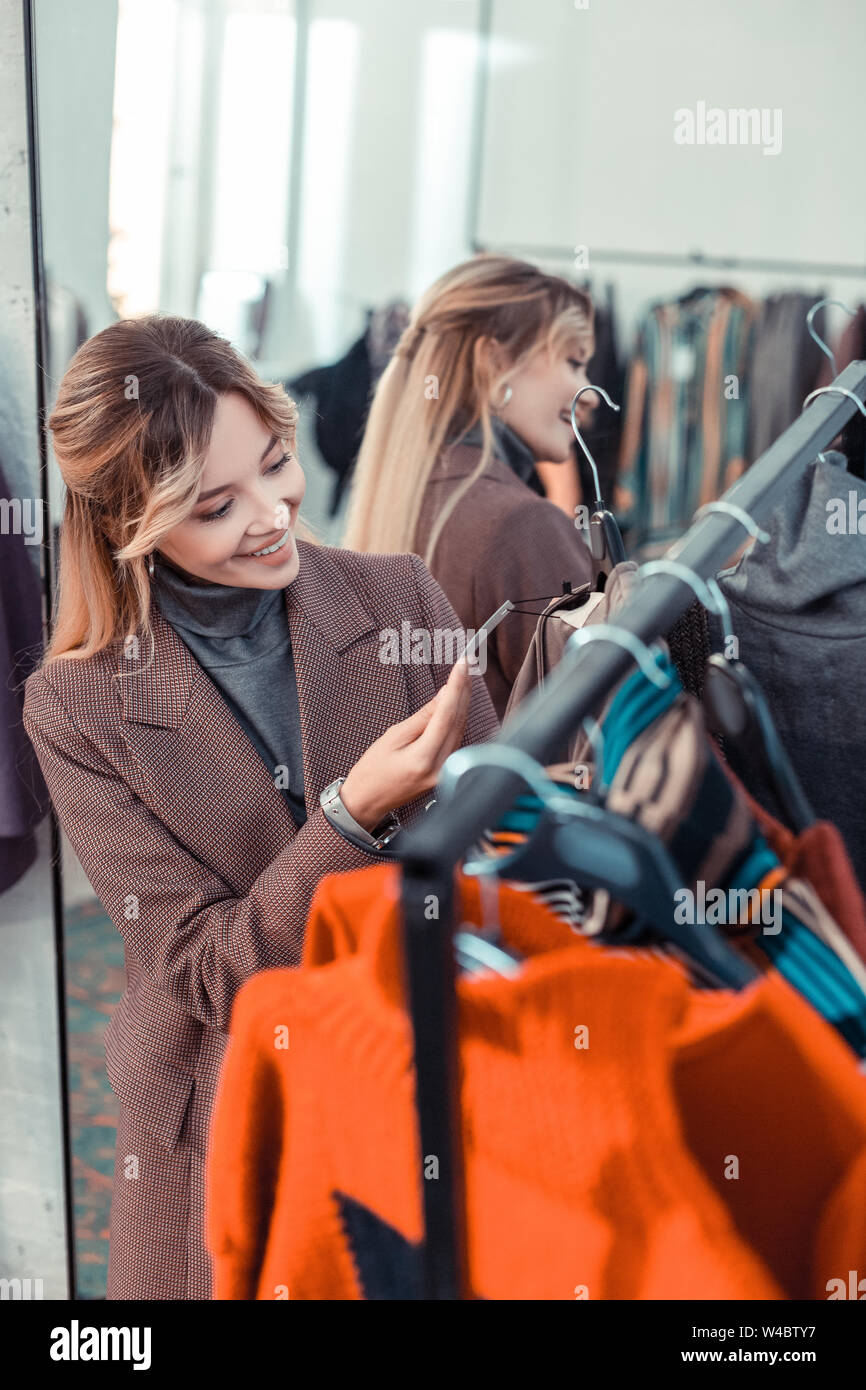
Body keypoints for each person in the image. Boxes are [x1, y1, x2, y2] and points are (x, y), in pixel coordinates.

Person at [21, 314, 497, 1300]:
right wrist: (352, 815)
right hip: (227, 1091)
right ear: (129, 526)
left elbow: (497, 853)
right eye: (213, 506)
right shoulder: (78, 703)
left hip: (415, 1058)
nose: (273, 513)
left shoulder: (400, 599)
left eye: (274, 463)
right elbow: (203, 969)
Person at [342, 254, 597, 718]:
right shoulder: (522, 527)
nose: (591, 392)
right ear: (495, 362)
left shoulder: (407, 495)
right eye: (574, 362)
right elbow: (610, 727)